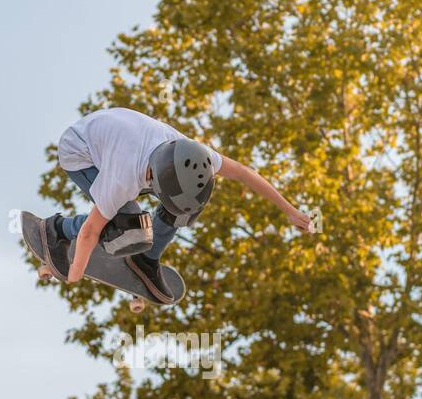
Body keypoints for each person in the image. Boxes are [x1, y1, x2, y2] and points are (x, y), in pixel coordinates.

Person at [43, 107, 312, 302]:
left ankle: (145, 260)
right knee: (129, 229)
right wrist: (73, 276)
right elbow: (91, 231)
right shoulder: (121, 178)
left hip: (122, 133)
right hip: (80, 151)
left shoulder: (196, 155)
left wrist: (290, 211)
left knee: (190, 206)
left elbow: (243, 171)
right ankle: (57, 229)